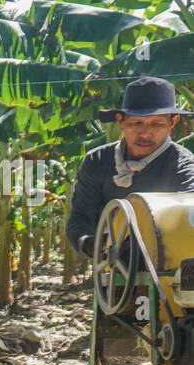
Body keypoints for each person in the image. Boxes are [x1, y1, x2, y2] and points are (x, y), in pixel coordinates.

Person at [67, 76, 194, 257]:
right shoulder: (97, 161)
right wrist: (92, 244)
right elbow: (80, 219)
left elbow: (186, 218)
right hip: (112, 270)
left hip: (168, 268)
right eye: (137, 123)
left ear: (172, 122)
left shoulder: (184, 166)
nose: (145, 133)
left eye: (157, 123)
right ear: (121, 121)